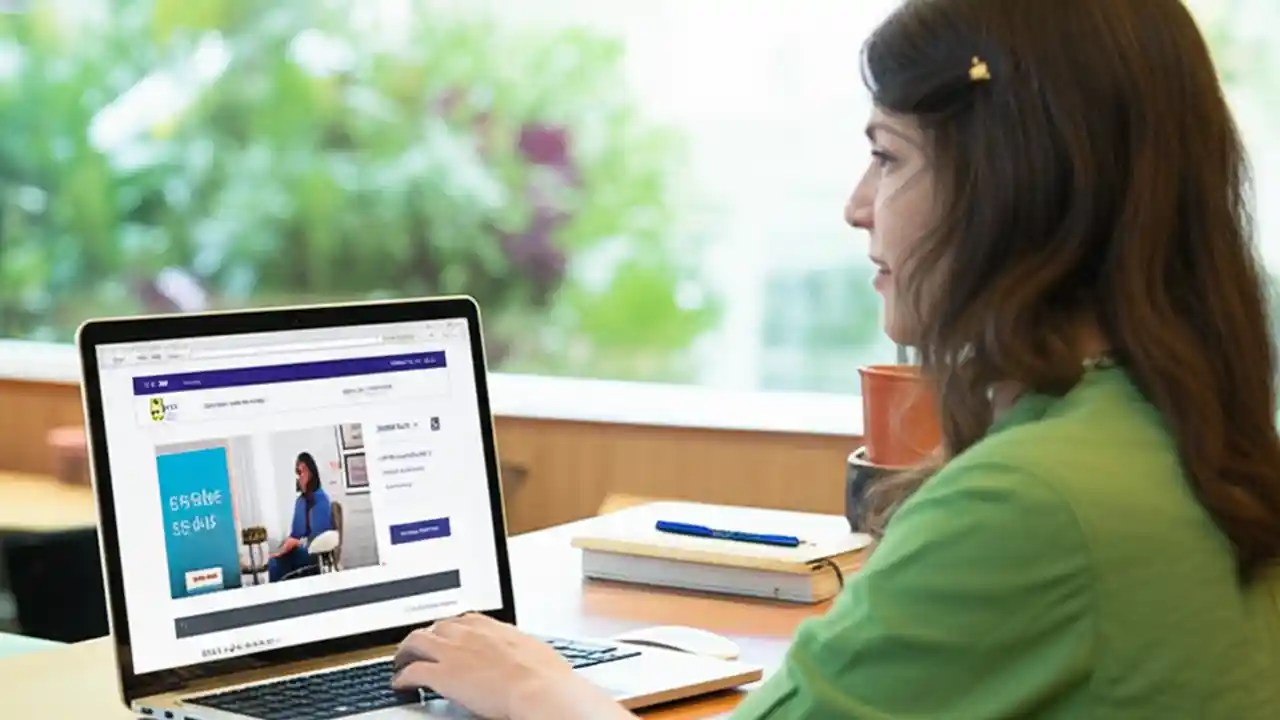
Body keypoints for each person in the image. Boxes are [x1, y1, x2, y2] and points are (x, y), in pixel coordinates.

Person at [389, 0, 1280, 717]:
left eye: (887, 158)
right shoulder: (1174, 435)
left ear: (1010, 181)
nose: (858, 207)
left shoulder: (1033, 501)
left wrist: (534, 690)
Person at [267, 451, 333, 582]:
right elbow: (295, 533)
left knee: (275, 565)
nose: (299, 477)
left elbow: (319, 538)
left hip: (314, 554)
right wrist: (286, 546)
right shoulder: (301, 501)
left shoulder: (321, 500)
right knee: (272, 562)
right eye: (297, 472)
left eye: (302, 472)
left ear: (311, 474)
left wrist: (295, 544)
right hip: (298, 551)